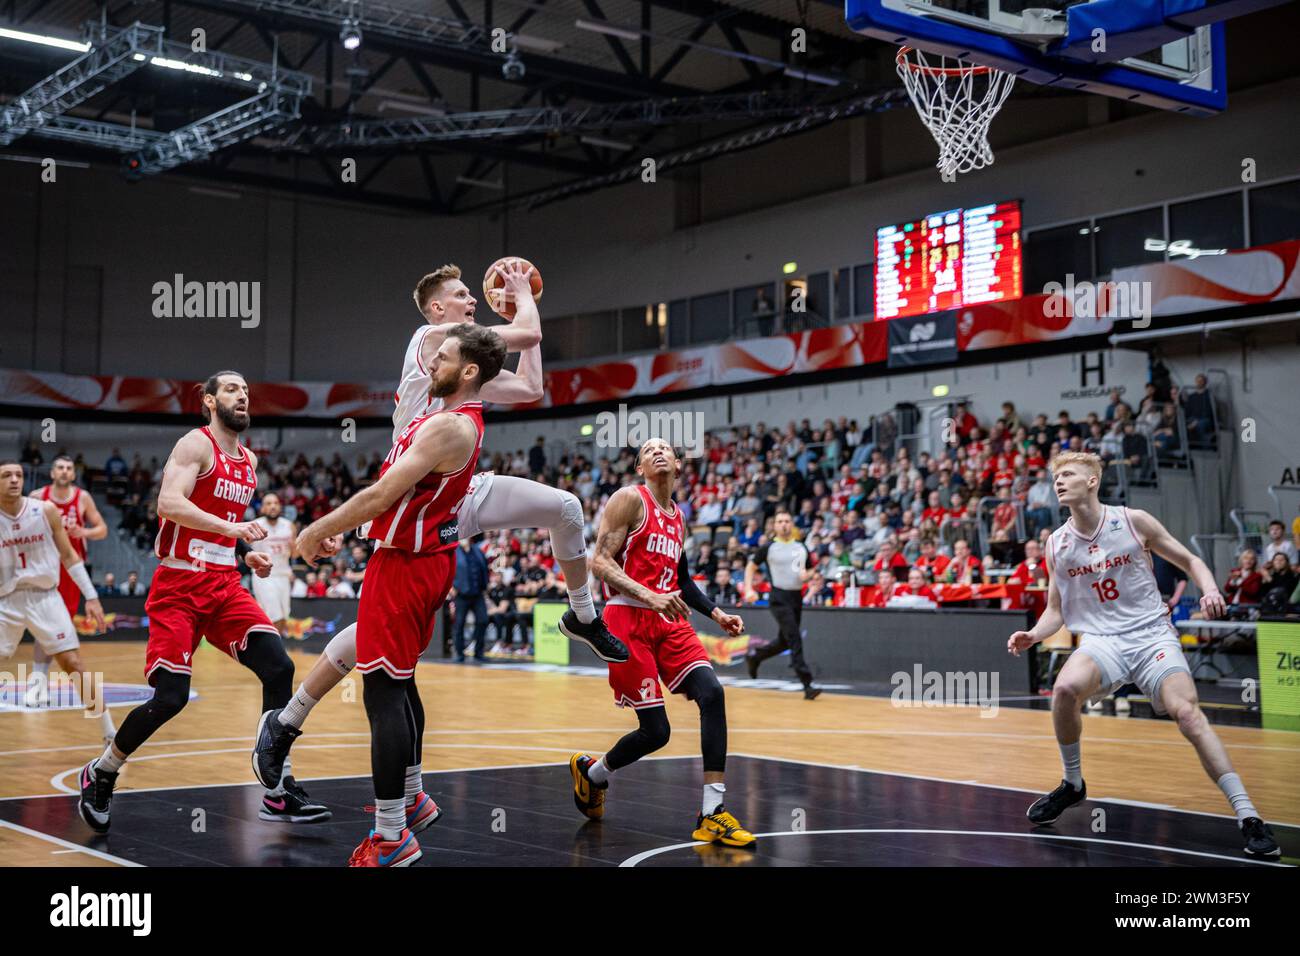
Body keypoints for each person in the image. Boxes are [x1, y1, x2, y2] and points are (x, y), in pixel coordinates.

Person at [250, 262, 629, 814]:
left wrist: (526, 312)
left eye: (474, 295)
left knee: (567, 507)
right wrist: (523, 295)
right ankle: (293, 724)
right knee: (376, 640)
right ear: (435, 310)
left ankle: (582, 614)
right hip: (416, 491)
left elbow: (530, 384)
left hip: (453, 488)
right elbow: (526, 333)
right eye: (460, 295)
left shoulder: (466, 368)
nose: (472, 300)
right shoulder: (431, 341)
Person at [77, 371, 331, 834]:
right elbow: (169, 504)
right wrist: (233, 531)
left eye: (247, 390)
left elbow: (218, 527)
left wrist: (242, 550)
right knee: (170, 698)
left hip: (224, 583)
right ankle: (103, 770)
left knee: (279, 668)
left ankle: (278, 788)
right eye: (233, 389)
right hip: (178, 587)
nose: (243, 395)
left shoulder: (250, 460)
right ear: (210, 401)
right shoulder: (195, 445)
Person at [293, 324, 505, 867]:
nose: (433, 362)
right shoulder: (453, 422)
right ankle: (412, 800)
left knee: (382, 694)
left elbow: (384, 492)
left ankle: (392, 837)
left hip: (406, 568)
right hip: (421, 560)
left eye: (445, 357)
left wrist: (317, 529)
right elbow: (394, 498)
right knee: (401, 685)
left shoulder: (449, 427)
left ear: (469, 371)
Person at [1007, 451, 1279, 858]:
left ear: (1092, 480)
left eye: (1067, 474)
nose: (1059, 481)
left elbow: (1189, 560)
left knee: (1187, 714)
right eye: (1056, 476)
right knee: (1064, 689)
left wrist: (1209, 588)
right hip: (1103, 640)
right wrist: (1033, 633)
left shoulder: (1132, 522)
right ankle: (1073, 783)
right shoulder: (1057, 543)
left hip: (1151, 635)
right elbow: (1057, 610)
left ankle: (1249, 816)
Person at [571, 438, 754, 848]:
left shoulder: (679, 517)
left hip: (669, 618)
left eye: (665, 448)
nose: (658, 452)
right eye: (648, 450)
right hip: (626, 617)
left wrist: (716, 613)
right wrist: (650, 596)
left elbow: (682, 579)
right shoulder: (628, 500)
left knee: (713, 693)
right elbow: (598, 561)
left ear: (676, 462)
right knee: (656, 732)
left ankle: (712, 812)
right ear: (640, 468)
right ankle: (593, 773)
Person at [1, 460, 113, 742]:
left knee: (73, 663)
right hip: (6, 600)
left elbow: (69, 556)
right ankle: (37, 683)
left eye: (18, 474)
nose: (14, 480)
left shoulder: (43, 510)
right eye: (6, 475)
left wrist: (92, 596)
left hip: (46, 596)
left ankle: (110, 733)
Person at [27, 455, 108, 708]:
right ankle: (37, 682)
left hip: (72, 572)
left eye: (68, 468)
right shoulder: (39, 496)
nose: (64, 472)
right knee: (46, 626)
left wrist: (84, 532)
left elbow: (102, 529)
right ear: (52, 473)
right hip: (44, 569)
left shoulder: (82, 498)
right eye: (60, 468)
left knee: (61, 630)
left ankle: (40, 680)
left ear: (73, 474)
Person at [742, 510, 821, 699]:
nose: (784, 524)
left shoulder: (801, 547)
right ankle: (807, 683)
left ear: (792, 524)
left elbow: (811, 570)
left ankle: (755, 657)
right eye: (780, 521)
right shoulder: (769, 548)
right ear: (775, 526)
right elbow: (750, 567)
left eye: (787, 521)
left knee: (784, 641)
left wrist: (808, 575)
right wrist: (748, 589)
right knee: (794, 637)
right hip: (778, 597)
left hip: (796, 598)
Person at [248, 492, 296, 636]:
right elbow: (244, 550)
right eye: (268, 504)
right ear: (262, 508)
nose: (273, 506)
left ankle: (276, 648)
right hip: (263, 575)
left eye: (275, 503)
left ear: (280, 507)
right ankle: (272, 652)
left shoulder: (289, 526)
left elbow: (295, 554)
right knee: (274, 615)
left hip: (283, 574)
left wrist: (294, 546)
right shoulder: (255, 526)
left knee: (283, 615)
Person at [451, 537, 490, 662]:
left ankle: (478, 652)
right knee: (459, 624)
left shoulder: (478, 550)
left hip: (478, 593)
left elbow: (485, 568)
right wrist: (451, 588)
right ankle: (459, 653)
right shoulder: (454, 552)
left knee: (483, 620)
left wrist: (486, 585)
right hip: (461, 594)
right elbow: (448, 570)